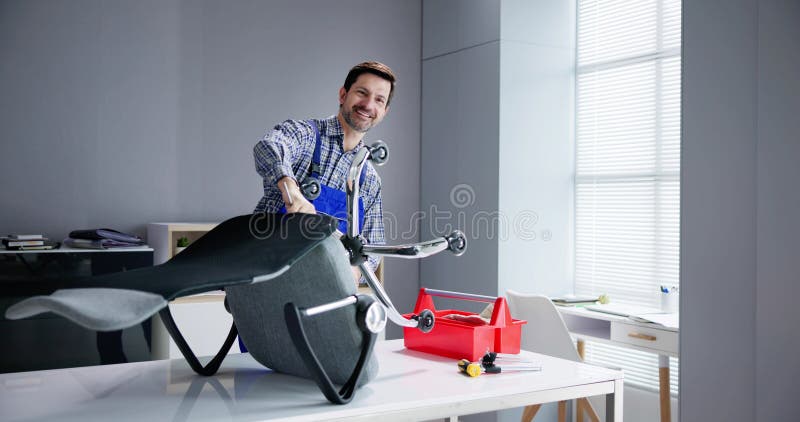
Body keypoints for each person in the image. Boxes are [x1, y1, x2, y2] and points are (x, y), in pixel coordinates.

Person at [253, 61, 395, 281]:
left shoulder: (369, 179)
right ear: (343, 95)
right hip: (265, 278)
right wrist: (291, 189)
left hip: (322, 290)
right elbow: (269, 146)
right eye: (362, 92)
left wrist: (351, 274)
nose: (368, 105)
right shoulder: (306, 136)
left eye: (379, 100)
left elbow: (373, 247)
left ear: (384, 112)